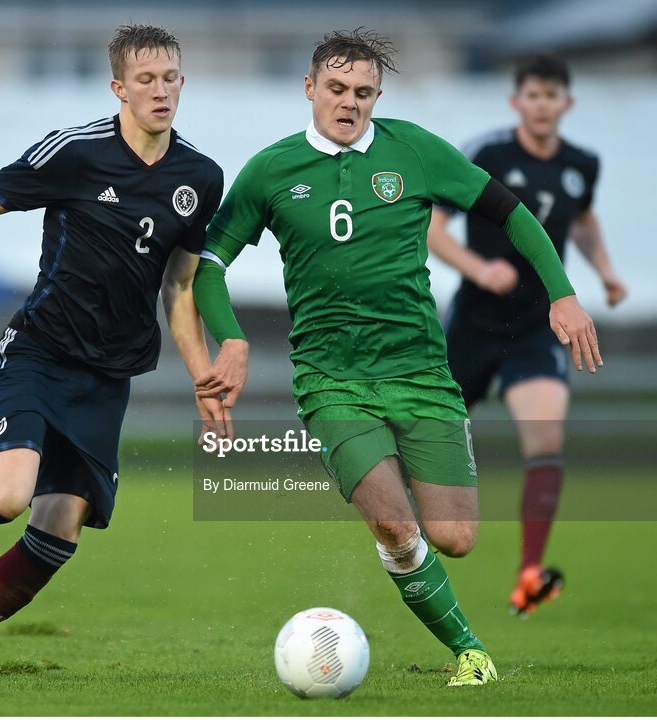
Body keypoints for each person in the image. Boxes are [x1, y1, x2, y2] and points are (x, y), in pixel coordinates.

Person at [191, 29, 602, 687]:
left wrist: (564, 294)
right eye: (335, 89)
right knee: (391, 521)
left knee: (456, 539)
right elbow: (208, 263)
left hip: (421, 375)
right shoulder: (271, 170)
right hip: (332, 380)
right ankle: (470, 650)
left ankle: (405, 507)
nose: (348, 103)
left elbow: (512, 211)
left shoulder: (415, 150)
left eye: (362, 93)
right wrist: (231, 337)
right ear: (309, 88)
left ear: (377, 96)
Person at [0, 24, 227, 683]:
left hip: (109, 377)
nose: (161, 90)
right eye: (145, 79)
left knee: (57, 535)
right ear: (119, 87)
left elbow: (178, 284)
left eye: (171, 77)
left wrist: (202, 373)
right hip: (40, 353)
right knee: (6, 496)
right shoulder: (77, 151)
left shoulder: (200, 178)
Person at [427, 54, 627, 618]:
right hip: (472, 326)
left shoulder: (583, 164)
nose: (542, 105)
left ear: (568, 103)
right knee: (426, 439)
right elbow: (433, 227)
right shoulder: (487, 154)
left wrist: (606, 272)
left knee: (545, 442)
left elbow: (583, 220)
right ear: (516, 102)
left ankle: (529, 576)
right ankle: (408, 543)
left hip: (537, 328)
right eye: (532, 96)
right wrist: (478, 268)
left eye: (552, 96)